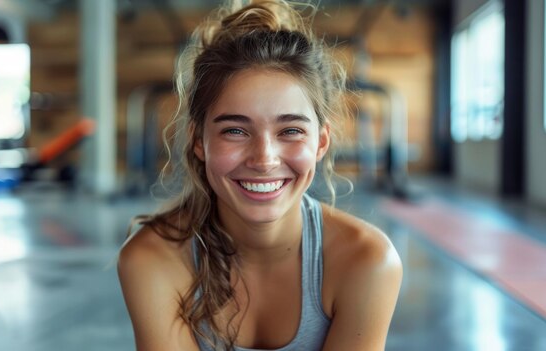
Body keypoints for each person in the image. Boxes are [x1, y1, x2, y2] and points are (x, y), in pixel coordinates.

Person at [117, 1, 403, 350]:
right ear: (198, 142)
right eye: (235, 131)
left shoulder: (367, 260)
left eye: (291, 131)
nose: (264, 159)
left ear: (321, 142)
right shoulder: (152, 259)